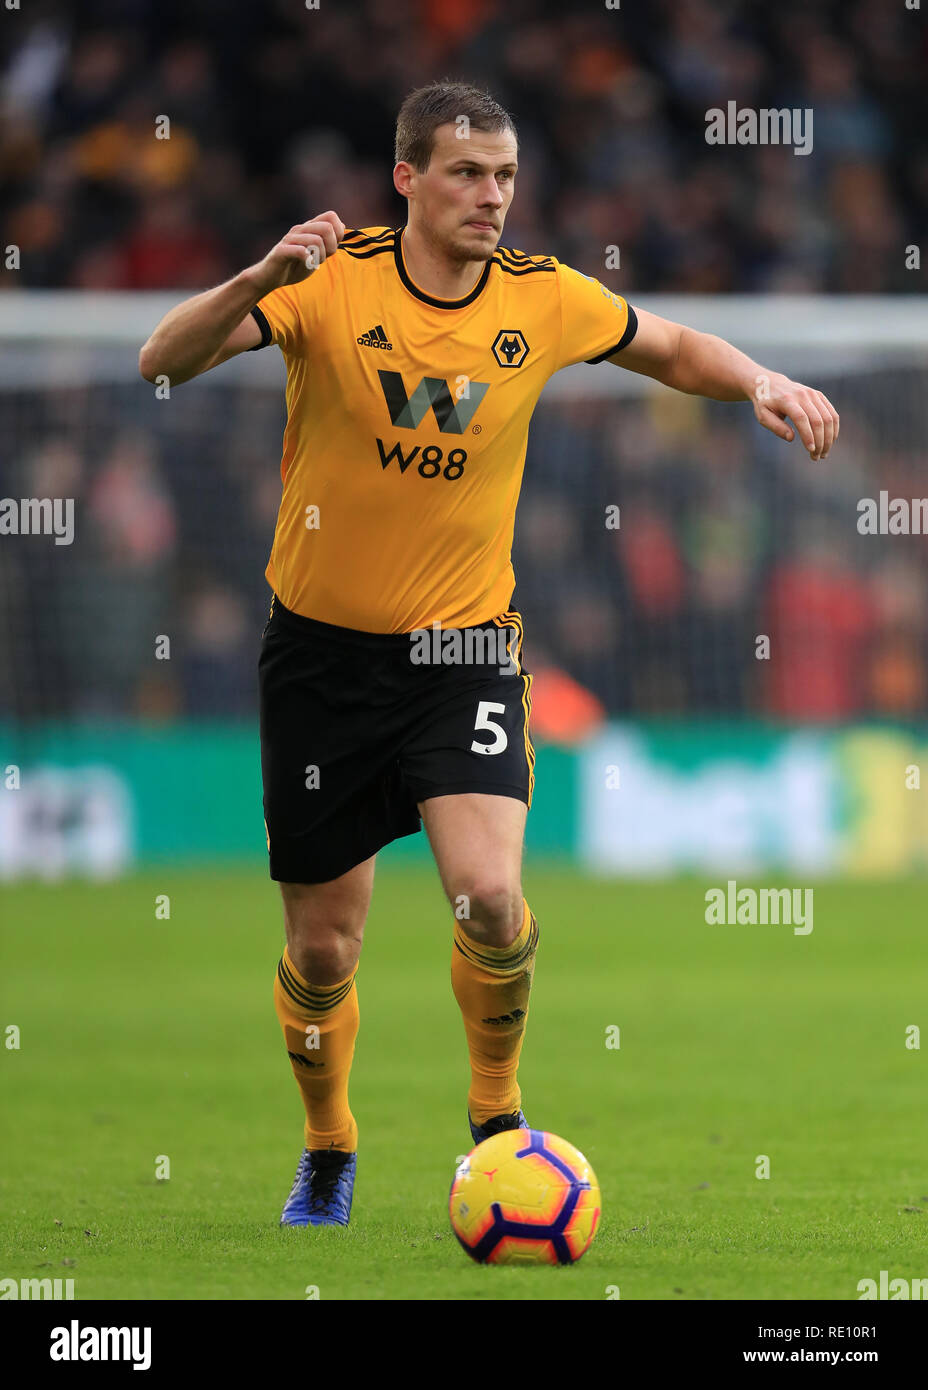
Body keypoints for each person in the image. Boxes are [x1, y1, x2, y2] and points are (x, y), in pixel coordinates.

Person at [138, 81, 839, 1228]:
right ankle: (328, 1145)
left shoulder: (542, 298)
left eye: (505, 175)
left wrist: (759, 379)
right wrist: (259, 278)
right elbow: (160, 362)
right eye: (466, 173)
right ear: (406, 176)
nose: (491, 196)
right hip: (319, 655)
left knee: (491, 898)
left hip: (463, 646)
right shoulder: (330, 282)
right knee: (325, 949)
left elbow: (666, 345)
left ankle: (497, 1115)